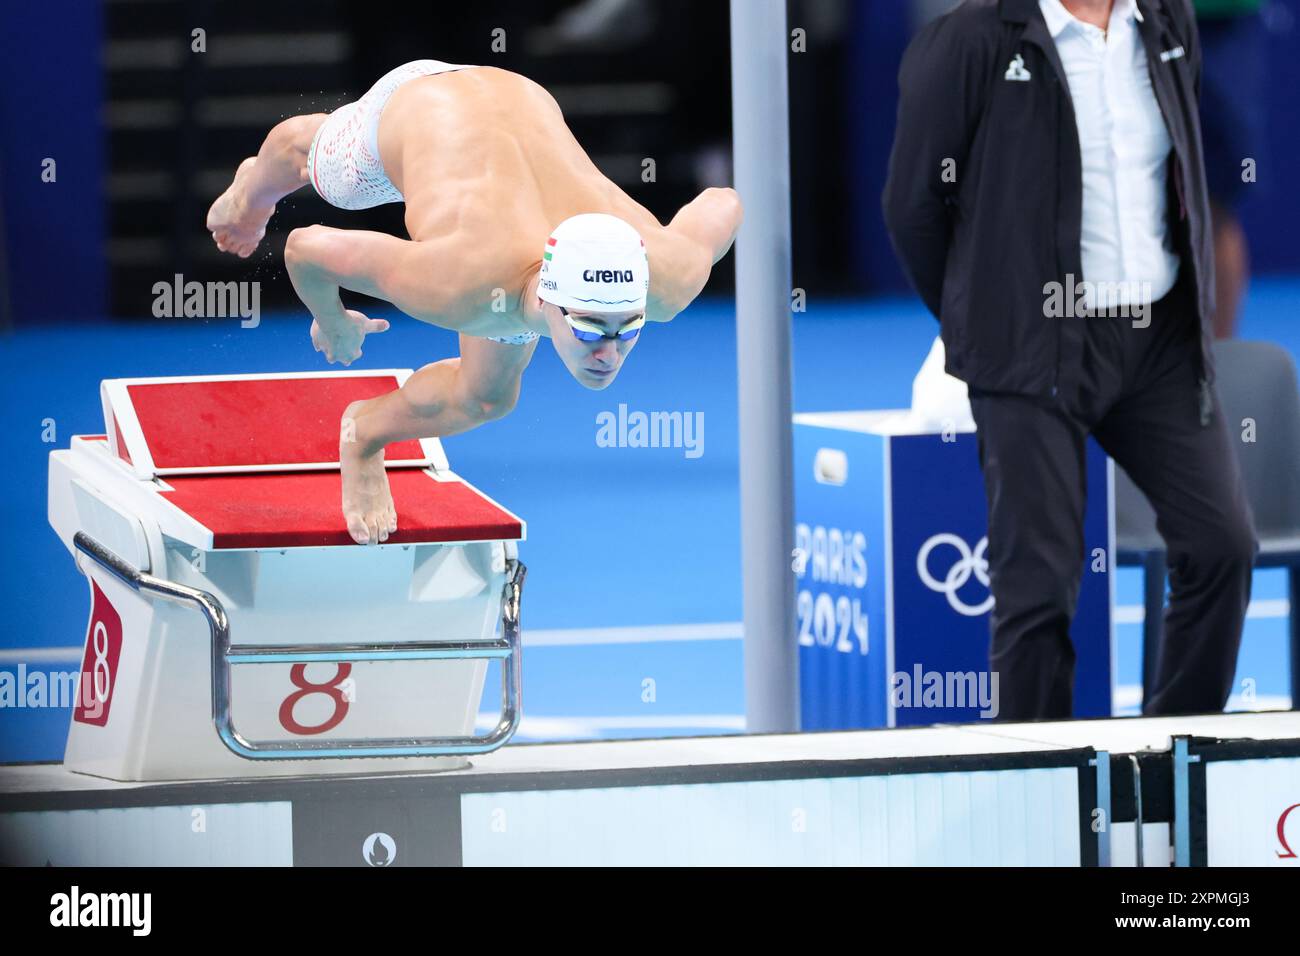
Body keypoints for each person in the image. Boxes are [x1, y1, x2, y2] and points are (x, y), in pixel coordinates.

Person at [883, 0, 1258, 718]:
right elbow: (912, 209)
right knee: (1041, 586)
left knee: (1222, 546)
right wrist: (988, 317)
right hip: (1032, 350)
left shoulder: (1169, 20)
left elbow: (1184, 174)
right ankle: (1047, 795)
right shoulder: (968, 41)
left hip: (1157, 346)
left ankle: (1173, 761)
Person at [207, 60, 742, 545]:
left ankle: (365, 431)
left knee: (488, 397)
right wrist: (336, 323)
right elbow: (306, 248)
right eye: (589, 328)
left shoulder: (665, 279)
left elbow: (724, 201)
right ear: (549, 301)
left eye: (626, 329)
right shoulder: (455, 282)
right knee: (322, 168)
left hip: (522, 100)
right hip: (424, 103)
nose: (609, 352)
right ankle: (250, 190)